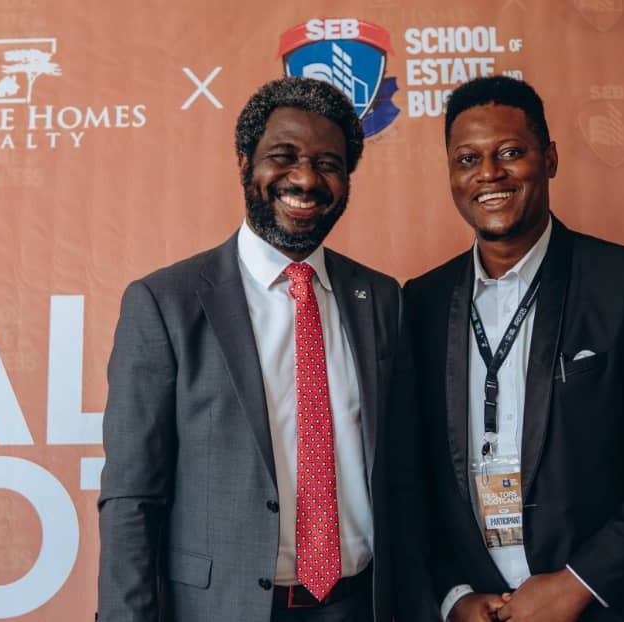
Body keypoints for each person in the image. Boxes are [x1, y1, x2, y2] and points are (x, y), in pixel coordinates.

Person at [402, 76, 624, 622]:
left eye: (511, 152)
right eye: (467, 159)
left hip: (615, 608)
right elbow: (412, 478)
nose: (489, 173)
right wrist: (452, 594)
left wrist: (581, 583)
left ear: (550, 159)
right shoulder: (421, 303)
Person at [98, 77, 411, 622]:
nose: (305, 179)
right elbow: (131, 496)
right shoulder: (166, 302)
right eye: (283, 157)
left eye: (328, 164)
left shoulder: (382, 297)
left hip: (362, 604)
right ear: (245, 163)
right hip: (225, 608)